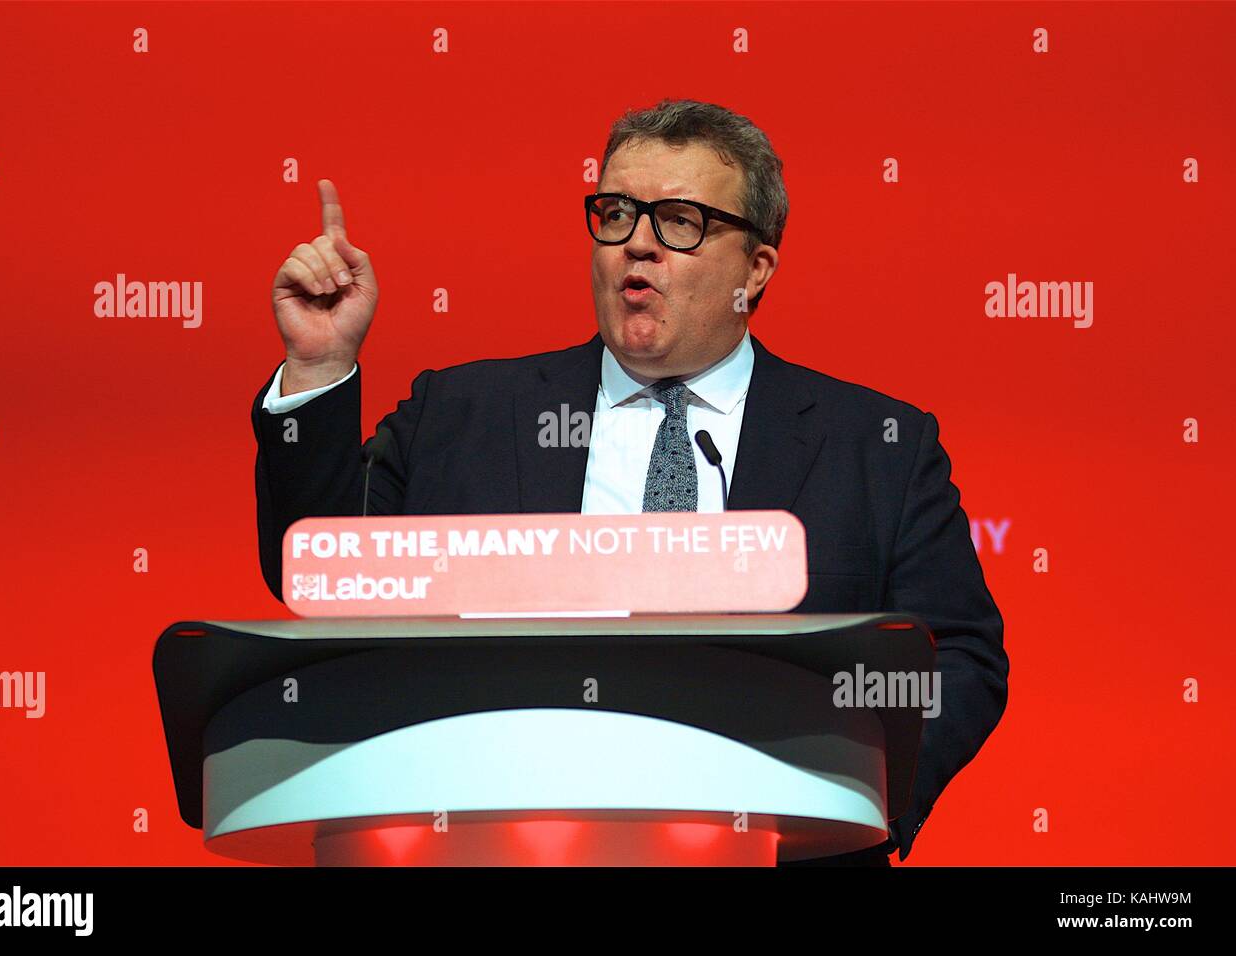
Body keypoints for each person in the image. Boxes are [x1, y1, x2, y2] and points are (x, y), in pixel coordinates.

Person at [250, 99, 1008, 866]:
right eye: (615, 213)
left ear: (757, 267)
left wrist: (850, 806)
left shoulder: (876, 446)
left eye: (679, 220)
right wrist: (318, 369)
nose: (636, 244)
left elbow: (958, 657)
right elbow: (320, 573)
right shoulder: (463, 414)